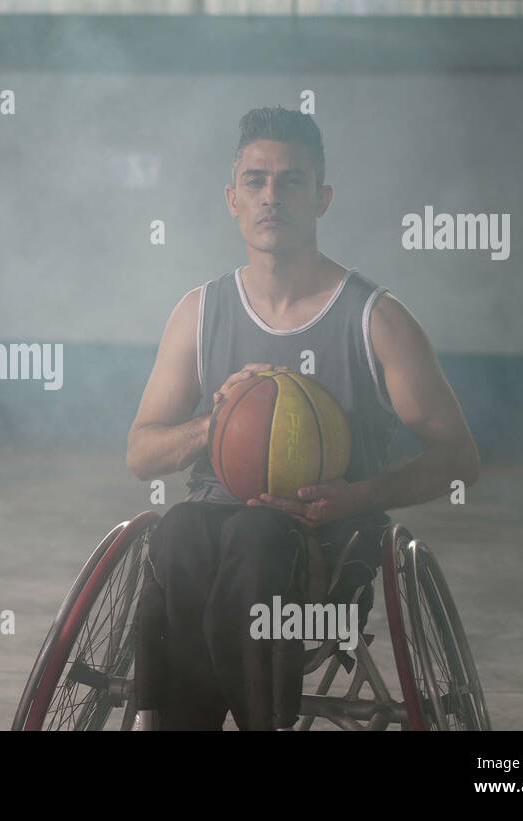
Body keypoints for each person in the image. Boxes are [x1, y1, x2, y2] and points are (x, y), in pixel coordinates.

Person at [126, 107, 480, 730]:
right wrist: (214, 426)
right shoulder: (199, 313)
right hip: (210, 534)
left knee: (256, 536)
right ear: (232, 198)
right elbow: (141, 453)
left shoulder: (378, 319)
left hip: (326, 554)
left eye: (291, 181)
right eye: (256, 181)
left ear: (322, 199)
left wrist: (361, 495)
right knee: (178, 528)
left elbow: (459, 459)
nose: (272, 196)